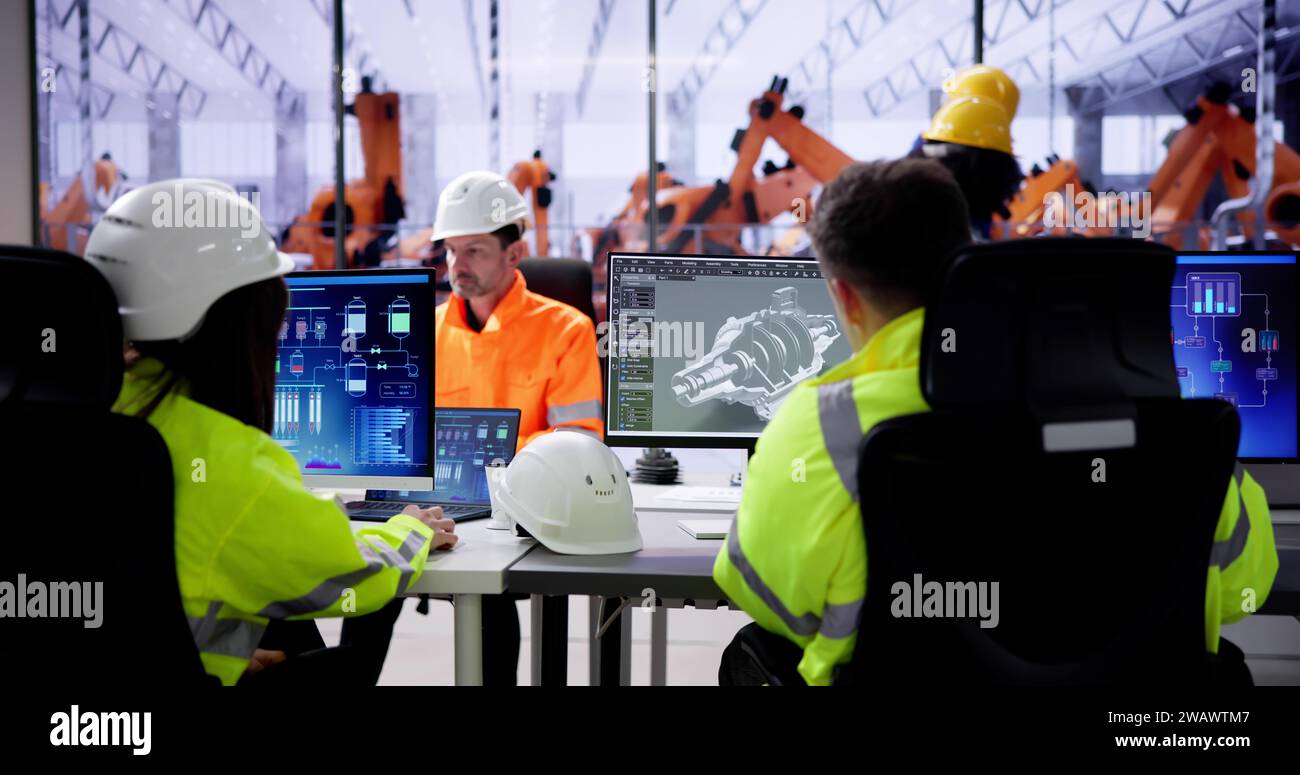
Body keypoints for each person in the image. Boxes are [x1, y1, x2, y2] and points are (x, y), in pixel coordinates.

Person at [712, 158, 1279, 686]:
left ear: (843, 294)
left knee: (752, 649)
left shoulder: (823, 424)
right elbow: (1243, 588)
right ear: (965, 250)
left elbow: (767, 597)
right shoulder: (1151, 412)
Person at [85, 178, 458, 686]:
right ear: (243, 325)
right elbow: (353, 576)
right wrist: (409, 528)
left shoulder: (77, 417)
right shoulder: (233, 464)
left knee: (287, 638)